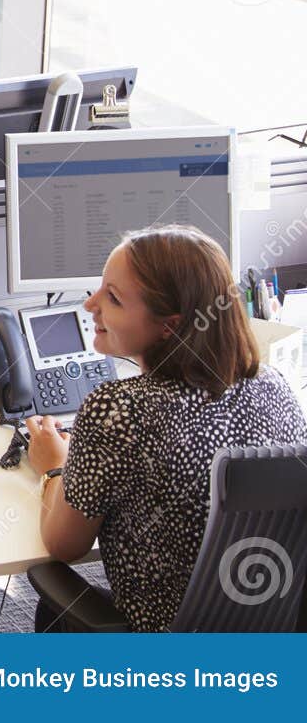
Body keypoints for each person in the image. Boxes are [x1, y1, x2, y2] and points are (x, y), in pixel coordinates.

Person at [25, 225, 307, 632]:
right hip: (267, 641)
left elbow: (63, 546)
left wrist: (54, 467)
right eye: (99, 288)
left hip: (165, 648)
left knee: (53, 610)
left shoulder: (119, 409)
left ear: (169, 327)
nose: (90, 305)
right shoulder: (274, 385)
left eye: (113, 298)